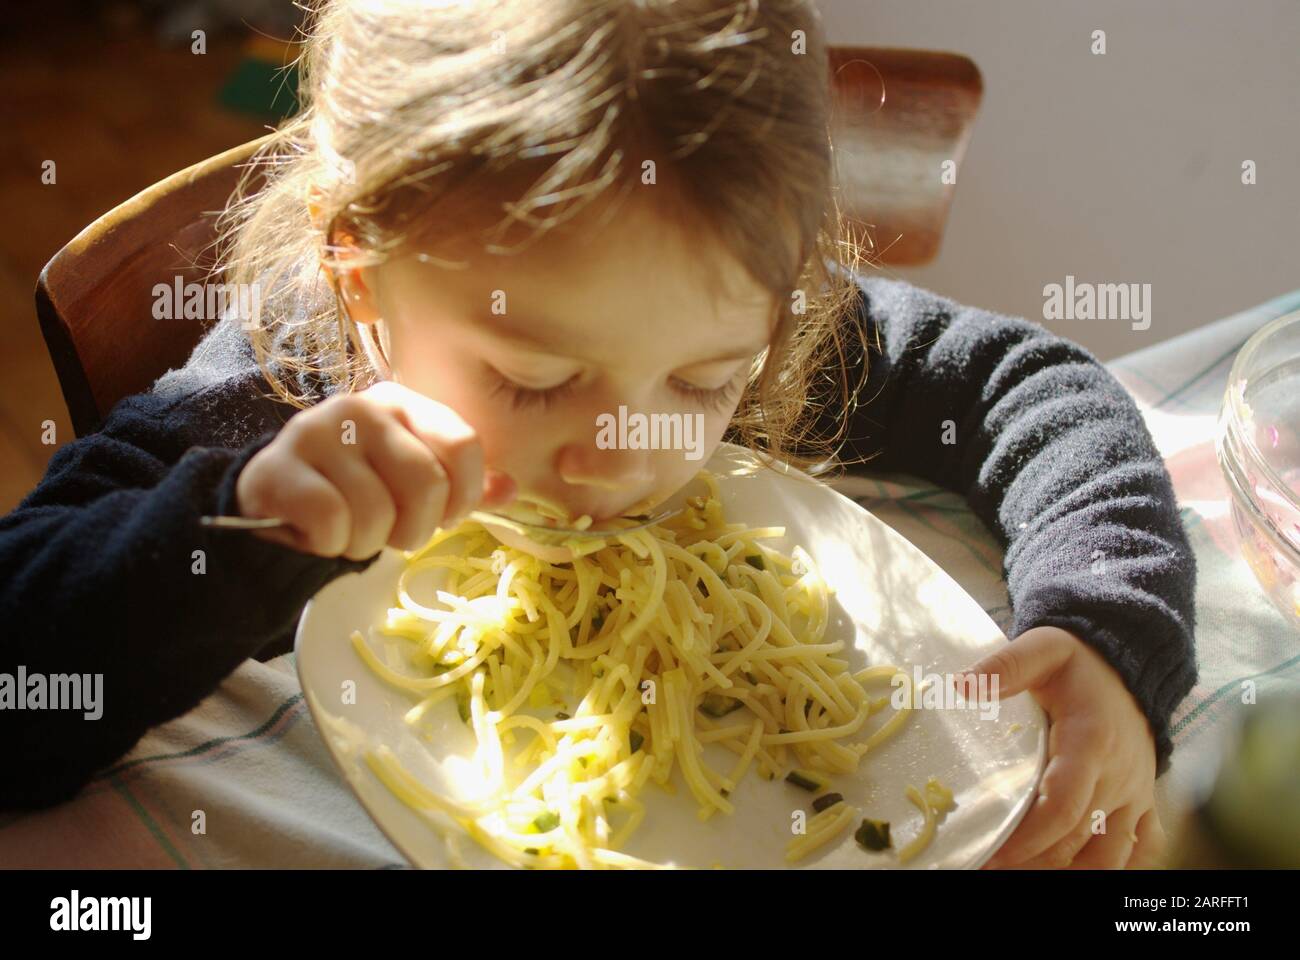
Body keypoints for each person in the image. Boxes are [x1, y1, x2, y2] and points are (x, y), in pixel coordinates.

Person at [0, 0, 1195, 869]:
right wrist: (249, 525)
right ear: (359, 277)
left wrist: (1107, 627)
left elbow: (1032, 382)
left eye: (706, 379)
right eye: (533, 378)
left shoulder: (746, 313)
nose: (627, 450)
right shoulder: (276, 393)